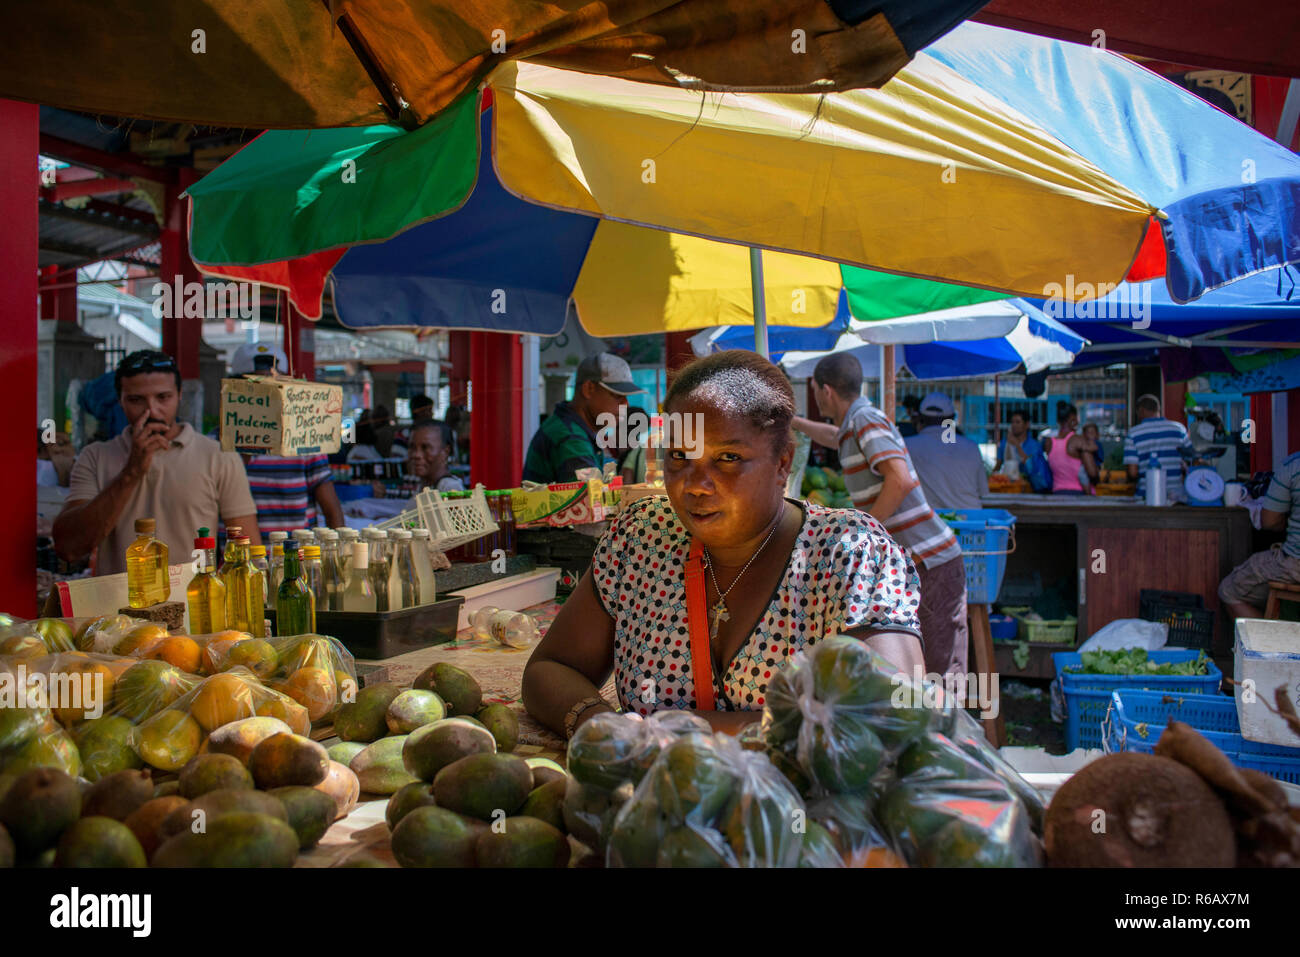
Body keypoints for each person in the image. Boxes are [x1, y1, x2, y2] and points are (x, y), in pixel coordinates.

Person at [522, 351, 924, 739]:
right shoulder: (641, 538)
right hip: (656, 804)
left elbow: (886, 718)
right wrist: (599, 725)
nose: (695, 484)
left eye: (728, 457)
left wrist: (674, 733)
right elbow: (551, 668)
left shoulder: (850, 555)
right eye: (679, 455)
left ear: (783, 463)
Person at [791, 353, 968, 684]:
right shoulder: (852, 426)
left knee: (940, 674)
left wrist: (865, 528)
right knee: (918, 675)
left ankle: (951, 735)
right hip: (915, 562)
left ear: (825, 391)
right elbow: (833, 438)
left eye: (814, 391)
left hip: (930, 561)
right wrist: (796, 423)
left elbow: (899, 479)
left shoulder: (865, 420)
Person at [53, 350, 261, 573]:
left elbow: (247, 549)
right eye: (136, 400)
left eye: (163, 397)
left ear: (179, 395)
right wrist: (131, 472)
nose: (151, 410)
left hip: (193, 604)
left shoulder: (219, 456)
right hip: (118, 607)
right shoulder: (95, 457)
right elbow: (69, 548)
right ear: (120, 401)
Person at [229, 344, 346, 534]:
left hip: (294, 560)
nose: (265, 396)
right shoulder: (216, 443)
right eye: (255, 387)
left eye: (274, 386)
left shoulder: (305, 441)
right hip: (235, 560)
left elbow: (332, 511)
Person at [522, 353, 644, 484]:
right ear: (588, 389)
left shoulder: (570, 428)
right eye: (617, 396)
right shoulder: (569, 437)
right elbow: (591, 498)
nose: (626, 404)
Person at [1219, 451, 1300, 619]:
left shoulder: (1293, 465)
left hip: (1295, 564)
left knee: (1228, 590)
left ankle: (1274, 643)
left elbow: (1269, 521)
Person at [903, 392, 988, 509]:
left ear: (920, 418)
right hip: (970, 520)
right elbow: (983, 492)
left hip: (930, 522)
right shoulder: (971, 447)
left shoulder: (907, 446)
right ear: (952, 418)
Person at [1124, 394, 1196, 502]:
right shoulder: (1179, 429)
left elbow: (1132, 472)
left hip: (1146, 496)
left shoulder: (1134, 433)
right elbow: (1192, 458)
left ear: (1141, 410)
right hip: (1176, 497)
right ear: (1158, 409)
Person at [1043, 402, 1095, 496]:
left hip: (1057, 493)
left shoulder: (1049, 442)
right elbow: (1092, 472)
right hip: (1078, 494)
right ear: (1073, 420)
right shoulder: (1077, 440)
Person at [406, 419, 466, 493]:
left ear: (445, 452)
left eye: (425, 448)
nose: (416, 455)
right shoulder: (425, 484)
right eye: (412, 447)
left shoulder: (450, 488)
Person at [995, 410, 1044, 478]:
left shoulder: (1034, 446)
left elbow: (1032, 467)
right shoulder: (1004, 443)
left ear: (1027, 424)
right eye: (1012, 422)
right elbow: (998, 465)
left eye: (1018, 422)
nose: (1014, 425)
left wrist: (1017, 446)